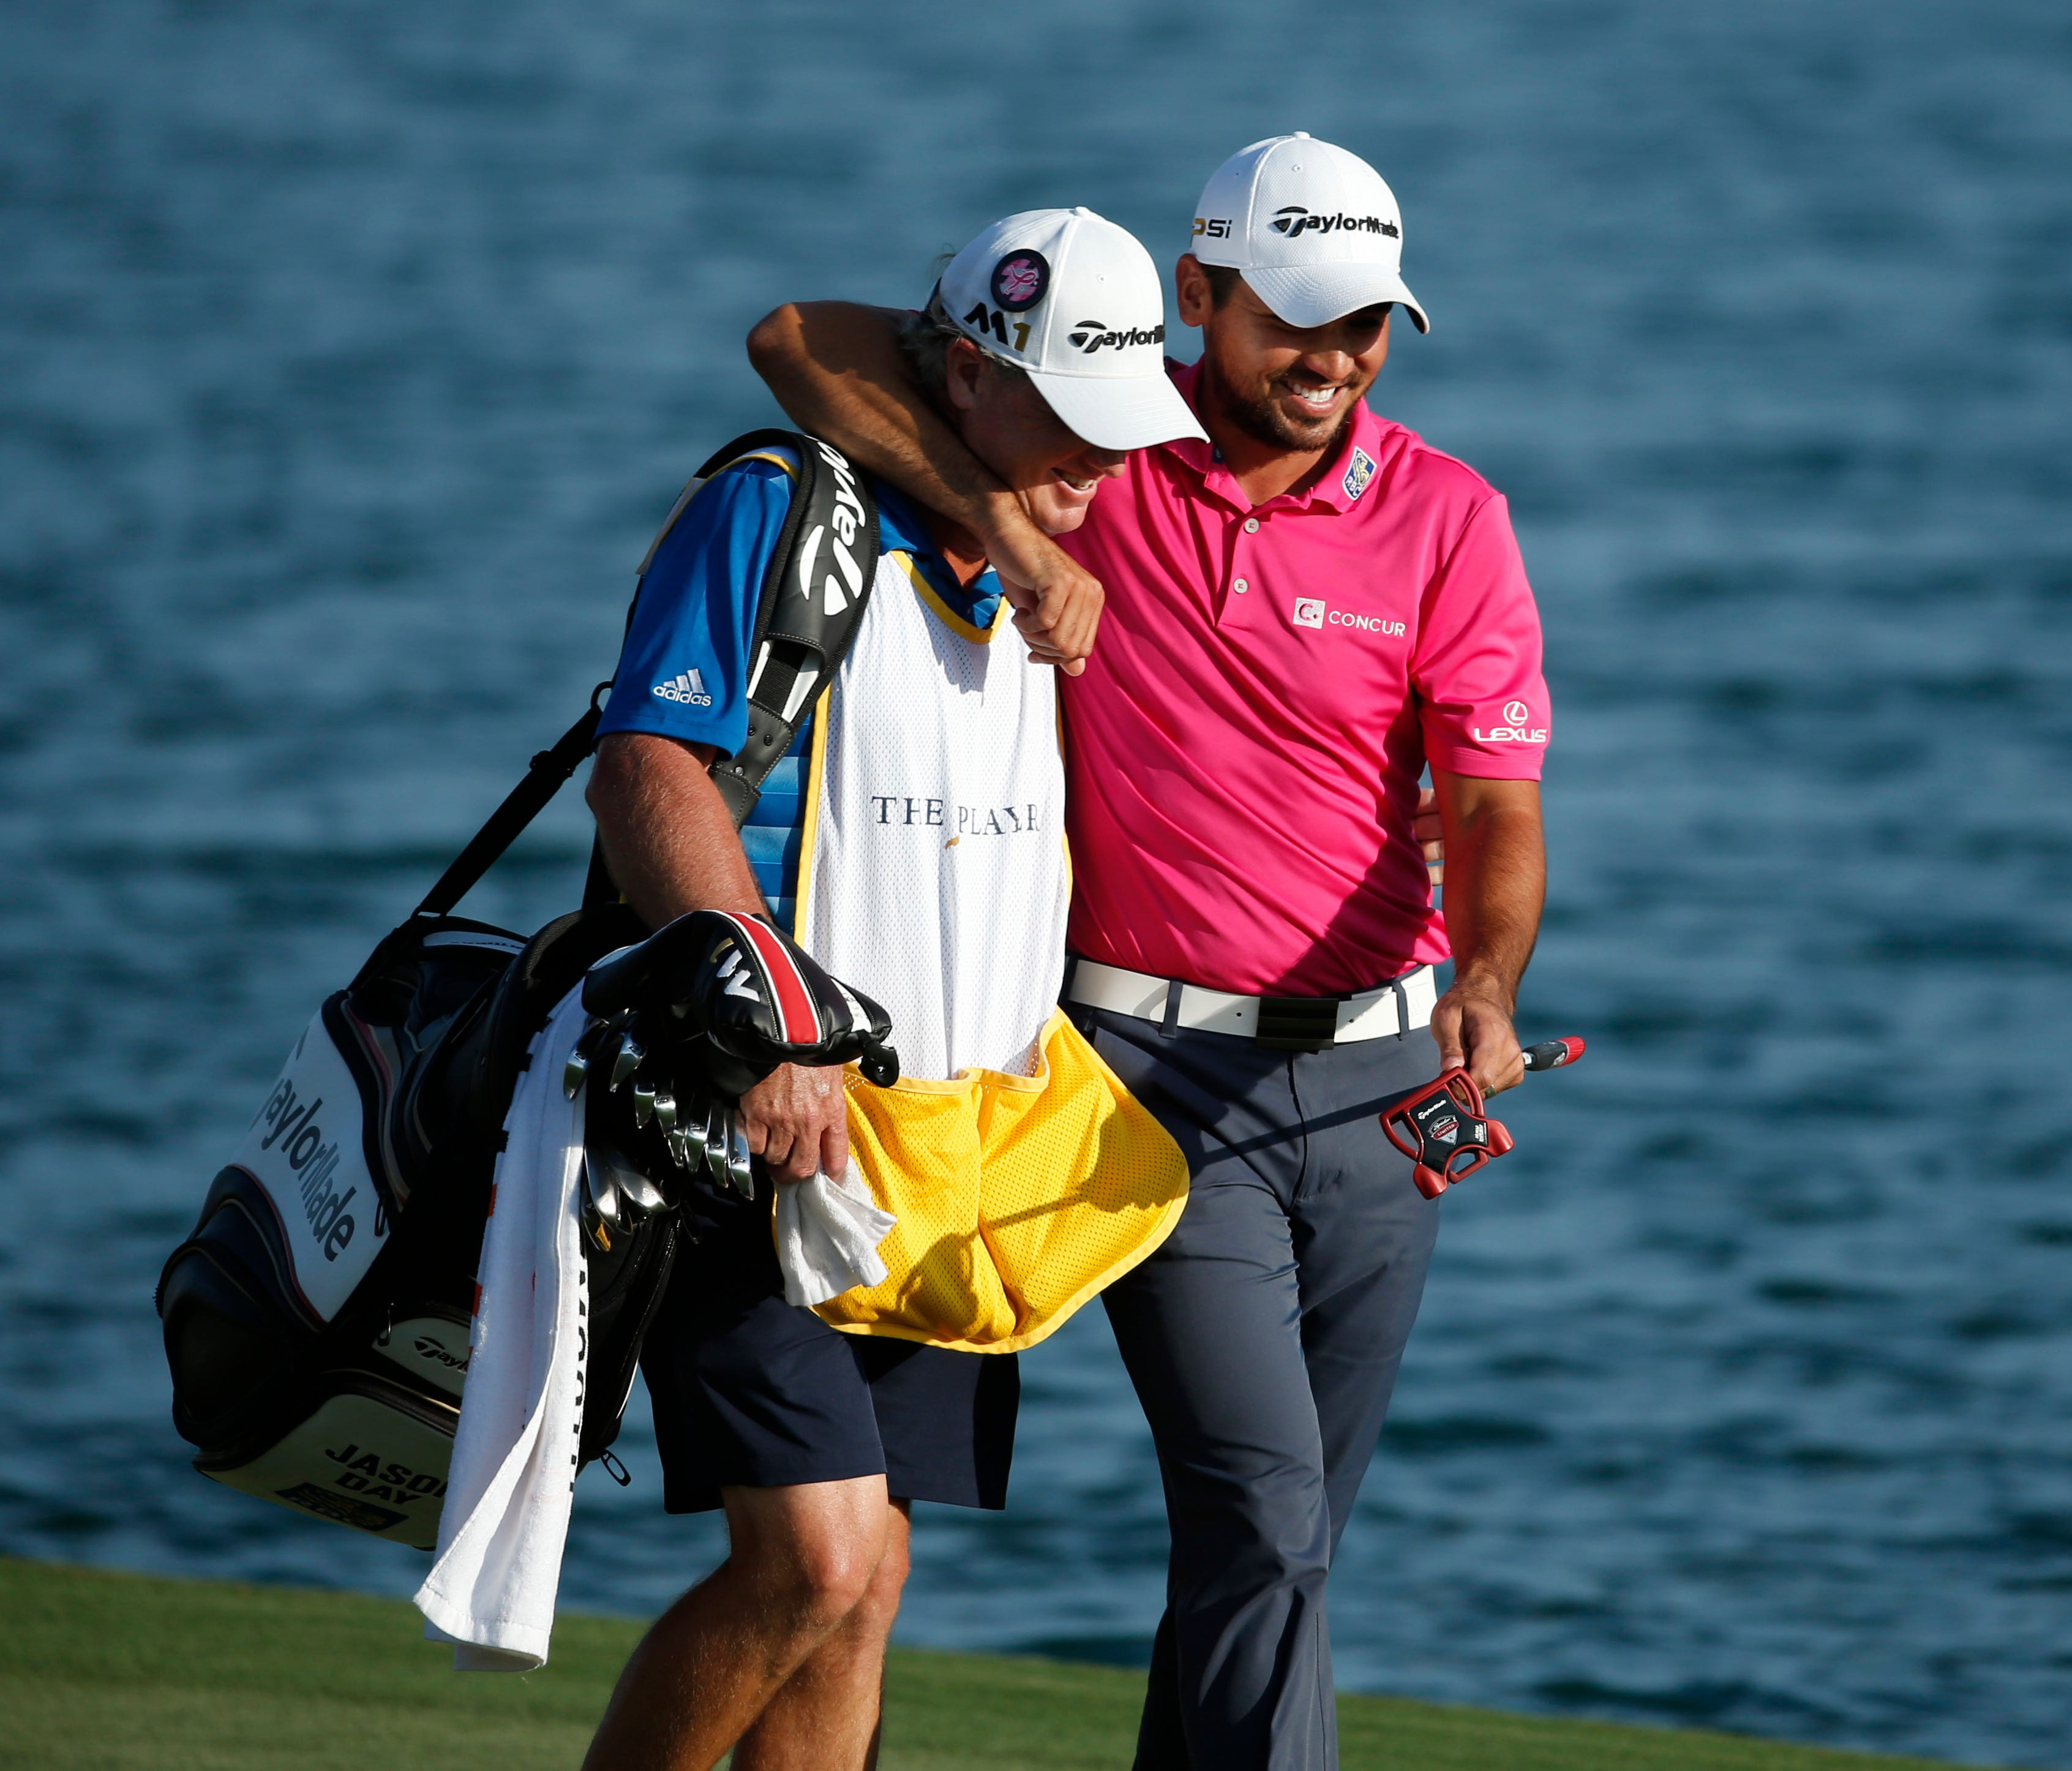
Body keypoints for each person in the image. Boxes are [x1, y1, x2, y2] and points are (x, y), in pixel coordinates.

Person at [748, 133, 1551, 1771]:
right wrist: (1016, 530)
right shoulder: (1097, 450)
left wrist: (1486, 983)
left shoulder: (1451, 516)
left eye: (1369, 324)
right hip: (1148, 1081)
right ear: (1200, 295)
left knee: (1280, 1543)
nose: (1335, 357)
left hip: (1384, 1092)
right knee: (1263, 1510)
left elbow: (1491, 803)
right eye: (1298, 317)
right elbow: (797, 341)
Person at [578, 206, 1201, 1771]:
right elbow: (650, 769)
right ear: (973, 375)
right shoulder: (782, 509)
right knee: (817, 1559)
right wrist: (770, 1023)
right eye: (1073, 422)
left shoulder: (1036, 549)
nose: (1102, 466)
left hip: (939, 1150)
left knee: (870, 1585)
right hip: (744, 1115)